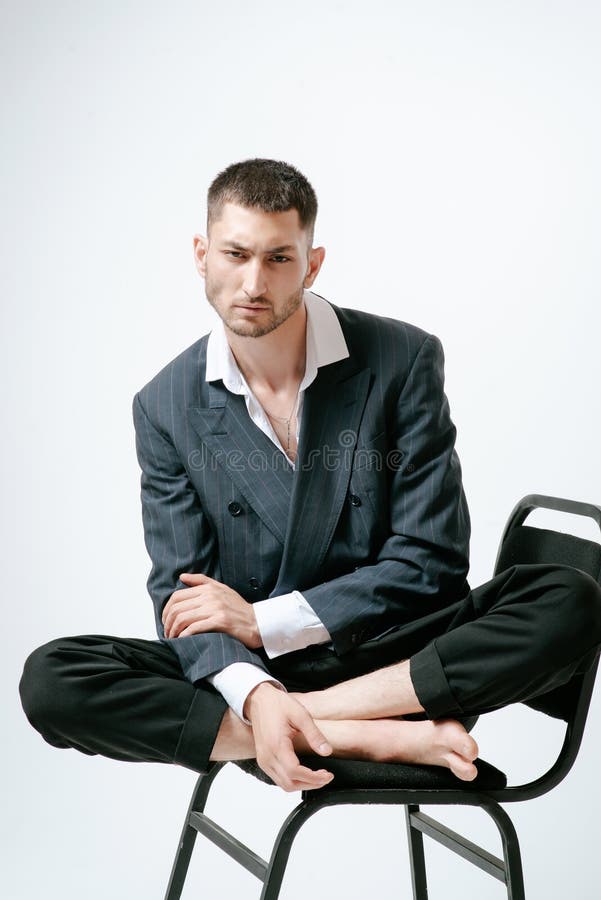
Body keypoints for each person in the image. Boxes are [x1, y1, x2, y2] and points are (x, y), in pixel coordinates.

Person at [20, 158, 601, 794]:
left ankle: (320, 719)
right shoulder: (164, 407)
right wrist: (261, 690)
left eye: (277, 258)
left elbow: (430, 561)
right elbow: (182, 602)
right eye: (235, 254)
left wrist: (261, 620)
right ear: (201, 254)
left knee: (571, 599)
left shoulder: (401, 360)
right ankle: (363, 732)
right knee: (54, 678)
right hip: (267, 679)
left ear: (312, 263)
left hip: (406, 656)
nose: (252, 281)